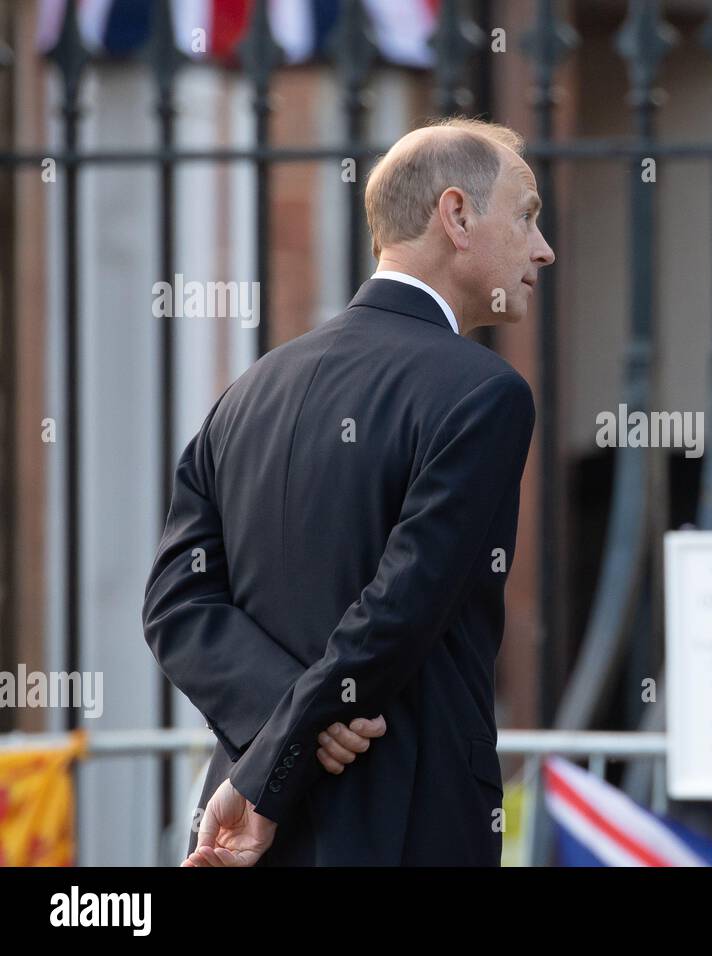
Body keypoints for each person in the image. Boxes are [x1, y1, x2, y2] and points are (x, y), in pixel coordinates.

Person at [143, 117, 555, 865]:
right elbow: (400, 608)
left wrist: (276, 744)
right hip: (402, 822)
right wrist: (295, 744)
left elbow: (176, 603)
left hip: (246, 823)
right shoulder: (486, 393)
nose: (542, 248)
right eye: (526, 215)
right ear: (456, 215)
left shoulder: (249, 390)